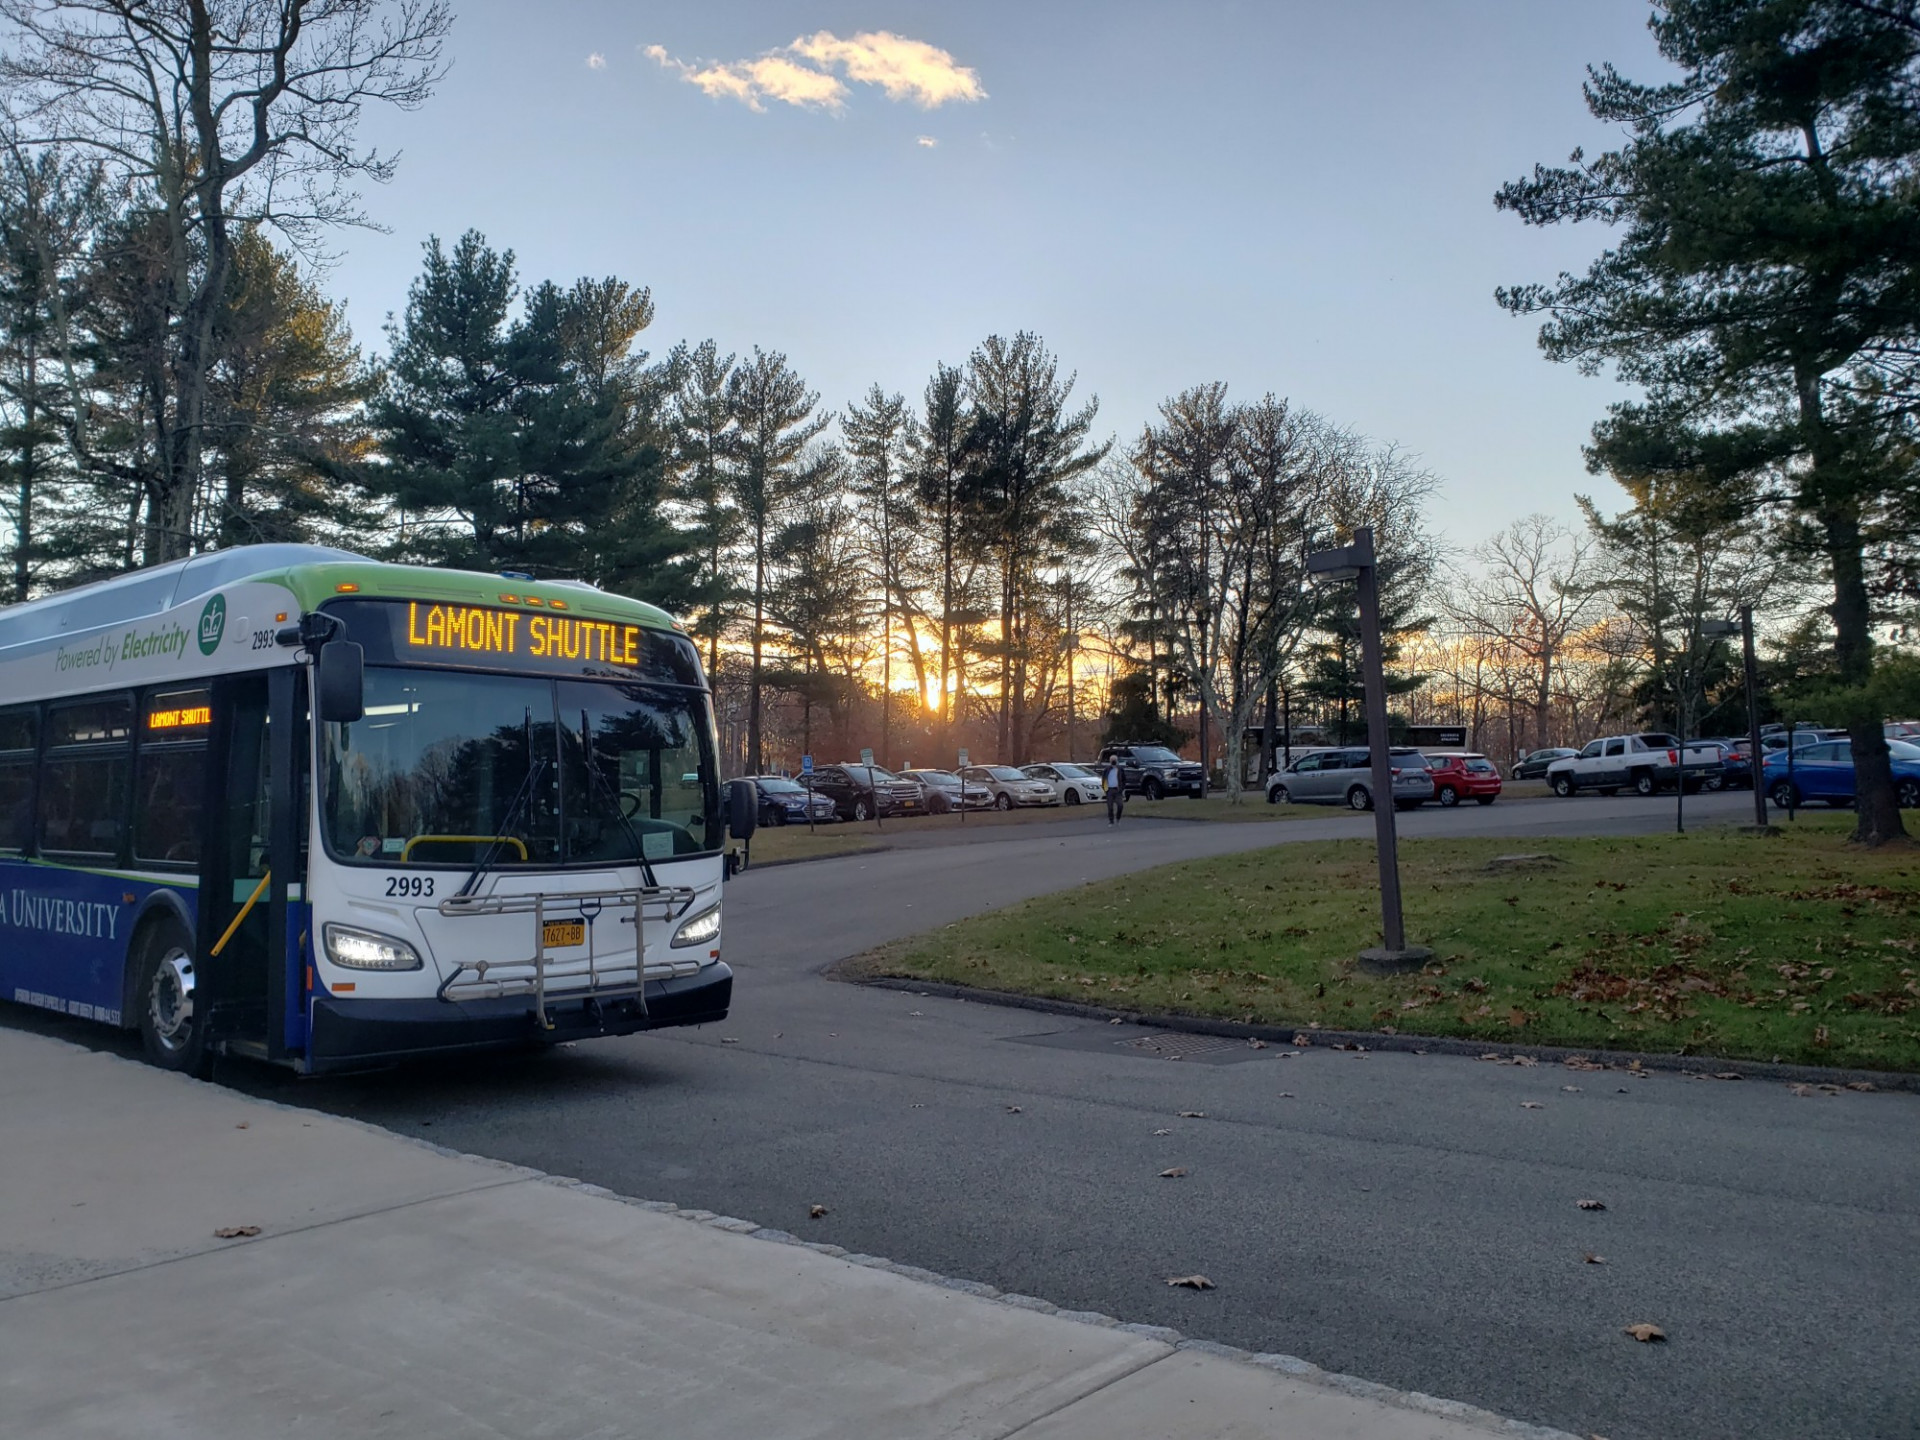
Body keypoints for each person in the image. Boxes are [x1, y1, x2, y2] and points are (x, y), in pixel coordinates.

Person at [1104, 758, 1124, 826]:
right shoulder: (1107, 769)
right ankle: (1111, 821)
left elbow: (1124, 779)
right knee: (1110, 807)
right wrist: (1105, 789)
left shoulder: (1120, 769)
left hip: (1117, 790)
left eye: (1114, 760)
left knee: (1120, 805)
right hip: (1109, 790)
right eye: (1112, 760)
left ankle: (1118, 818)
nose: (1113, 762)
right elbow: (1104, 779)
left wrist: (1121, 788)